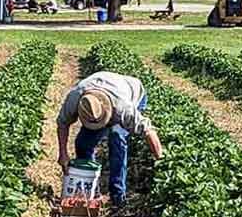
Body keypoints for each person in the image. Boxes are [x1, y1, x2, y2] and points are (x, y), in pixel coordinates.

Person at [57, 71, 163, 207]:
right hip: (107, 90)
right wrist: (63, 154)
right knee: (83, 143)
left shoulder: (124, 109)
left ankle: (118, 197)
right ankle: (89, 192)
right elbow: (62, 124)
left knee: (117, 138)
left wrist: (161, 160)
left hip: (133, 93)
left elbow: (148, 131)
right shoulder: (76, 98)